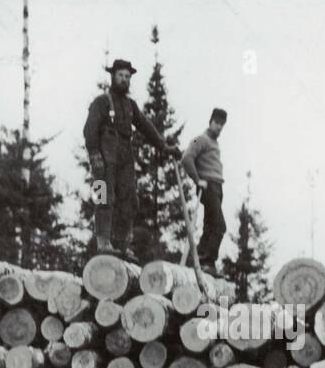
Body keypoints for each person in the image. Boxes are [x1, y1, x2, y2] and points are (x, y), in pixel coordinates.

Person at [83, 59, 178, 259]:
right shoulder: (101, 102)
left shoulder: (130, 105)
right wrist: (94, 155)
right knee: (103, 196)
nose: (124, 80)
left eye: (127, 77)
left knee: (130, 201)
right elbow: (89, 129)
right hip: (104, 159)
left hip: (125, 158)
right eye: (120, 75)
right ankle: (103, 241)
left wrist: (164, 146)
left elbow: (146, 127)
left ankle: (122, 244)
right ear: (113, 76)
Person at [181, 108, 228, 272]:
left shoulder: (214, 143)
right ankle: (208, 261)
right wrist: (197, 180)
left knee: (210, 225)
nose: (219, 127)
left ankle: (200, 258)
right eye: (217, 123)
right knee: (220, 226)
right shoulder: (200, 139)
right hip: (207, 186)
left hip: (217, 187)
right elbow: (186, 158)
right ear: (210, 122)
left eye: (222, 124)